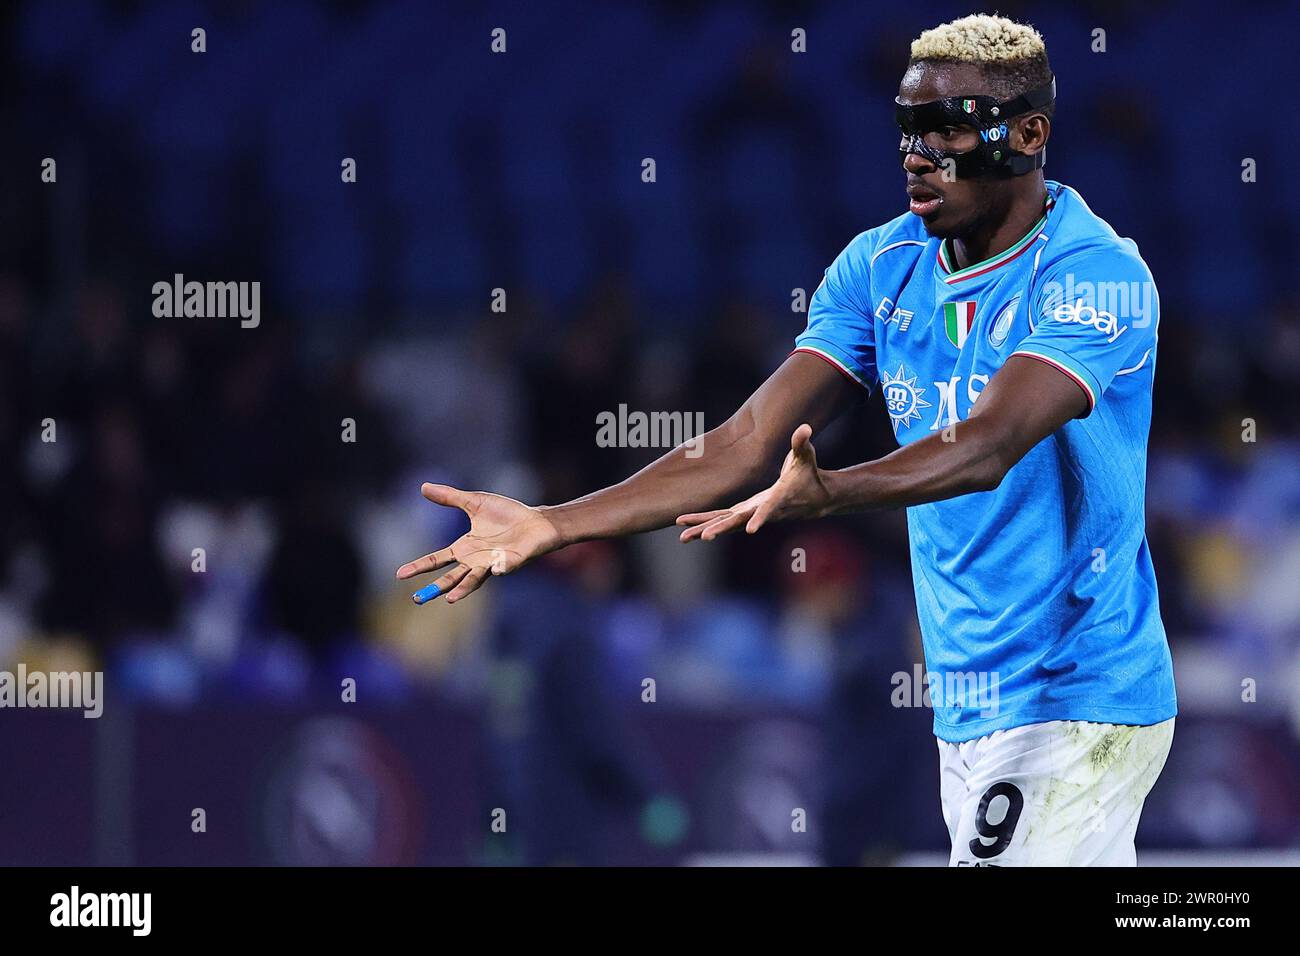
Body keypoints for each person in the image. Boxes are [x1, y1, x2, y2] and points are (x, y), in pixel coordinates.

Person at [396, 13, 1176, 866]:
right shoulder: (880, 268)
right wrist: (556, 522)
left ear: (1029, 134)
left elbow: (988, 444)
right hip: (969, 707)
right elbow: (744, 441)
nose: (917, 152)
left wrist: (832, 491)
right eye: (907, 128)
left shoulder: (1095, 274)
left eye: (948, 127)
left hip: (1078, 692)